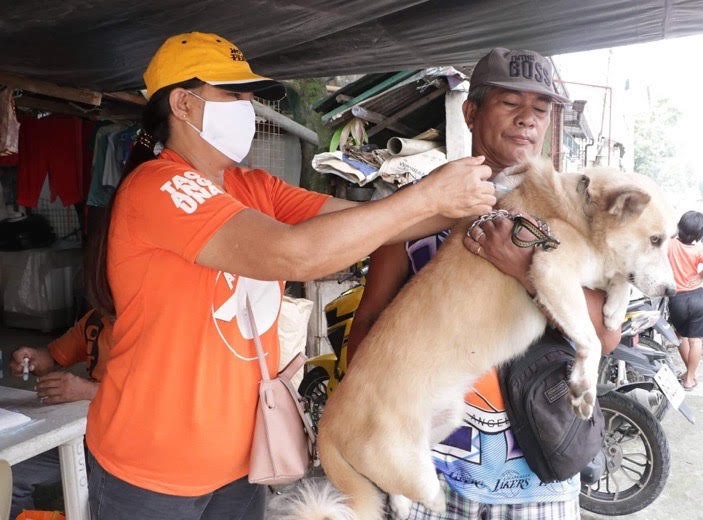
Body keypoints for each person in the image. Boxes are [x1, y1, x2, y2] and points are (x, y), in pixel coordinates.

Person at [82, 31, 497, 520]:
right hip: (150, 467)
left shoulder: (252, 185)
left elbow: (384, 224)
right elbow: (292, 255)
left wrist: (476, 199)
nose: (250, 107)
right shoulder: (159, 187)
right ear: (183, 104)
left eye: (251, 96)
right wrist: (428, 198)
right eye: (234, 94)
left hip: (242, 462)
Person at [348, 48, 620, 519]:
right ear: (471, 111)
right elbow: (370, 318)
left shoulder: (571, 210)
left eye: (540, 109)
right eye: (510, 104)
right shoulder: (416, 207)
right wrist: (367, 424)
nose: (527, 121)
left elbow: (606, 335)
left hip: (535, 470)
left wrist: (524, 268)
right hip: (428, 468)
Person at [7, 308, 112, 518]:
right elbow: (53, 356)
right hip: (84, 440)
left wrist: (89, 391)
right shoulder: (97, 318)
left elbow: (166, 397)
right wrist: (33, 358)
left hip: (135, 453)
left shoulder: (163, 323)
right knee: (8, 475)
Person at [667, 210, 703, 391]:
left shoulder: (669, 245)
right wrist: (701, 276)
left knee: (680, 337)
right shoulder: (698, 250)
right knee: (696, 340)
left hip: (677, 298)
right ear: (699, 234)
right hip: (698, 297)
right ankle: (689, 378)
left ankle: (689, 374)